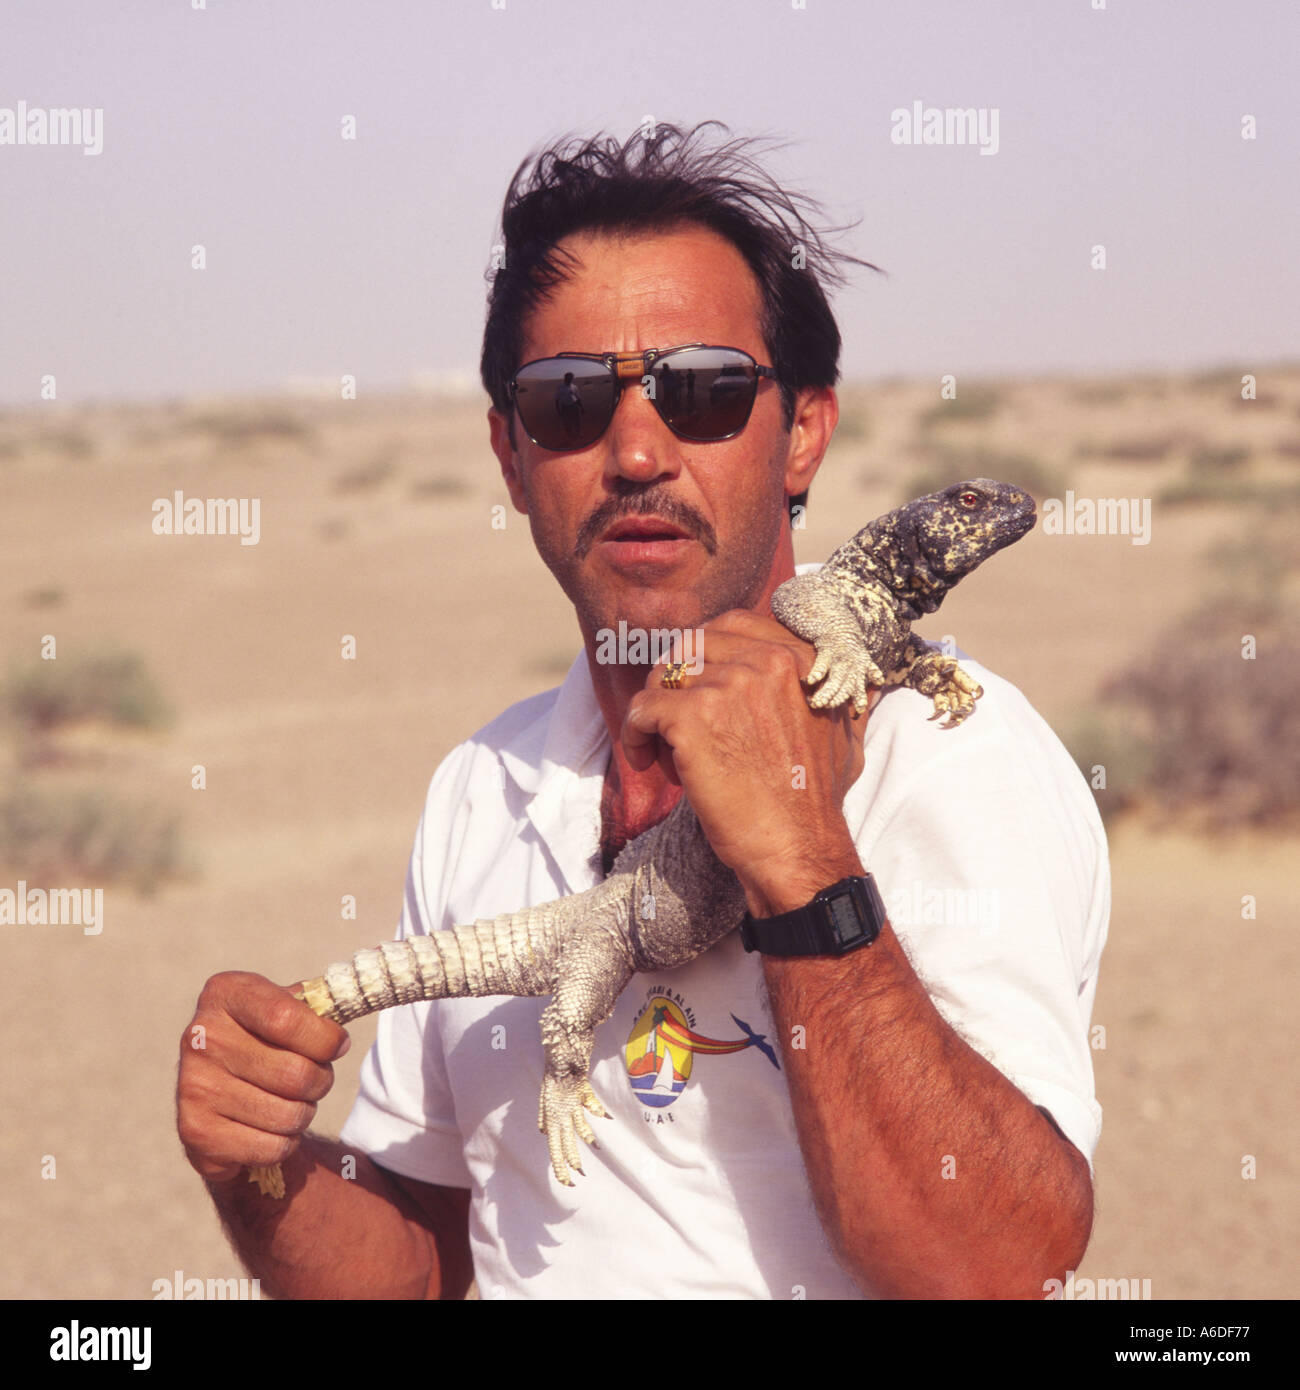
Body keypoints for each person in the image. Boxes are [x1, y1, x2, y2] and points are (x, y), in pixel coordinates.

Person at [177, 123, 1107, 1300]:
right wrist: (253, 1162)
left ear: (804, 434)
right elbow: (415, 1273)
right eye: (567, 401)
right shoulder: (487, 781)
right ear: (512, 459)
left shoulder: (958, 757)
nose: (633, 448)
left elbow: (1000, 1269)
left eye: (704, 390)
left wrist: (804, 863)